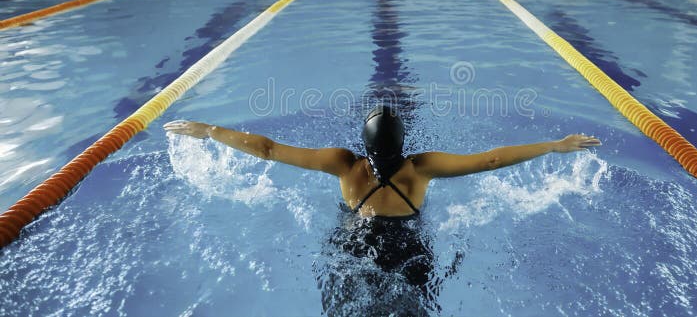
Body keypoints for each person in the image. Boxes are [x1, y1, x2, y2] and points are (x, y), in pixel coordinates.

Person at [163, 105, 601, 313]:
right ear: (403, 143)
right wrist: (554, 146)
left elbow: (267, 149)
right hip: (409, 248)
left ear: (365, 144)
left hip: (356, 247)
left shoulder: (344, 164)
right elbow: (490, 159)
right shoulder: (421, 169)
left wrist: (209, 130)